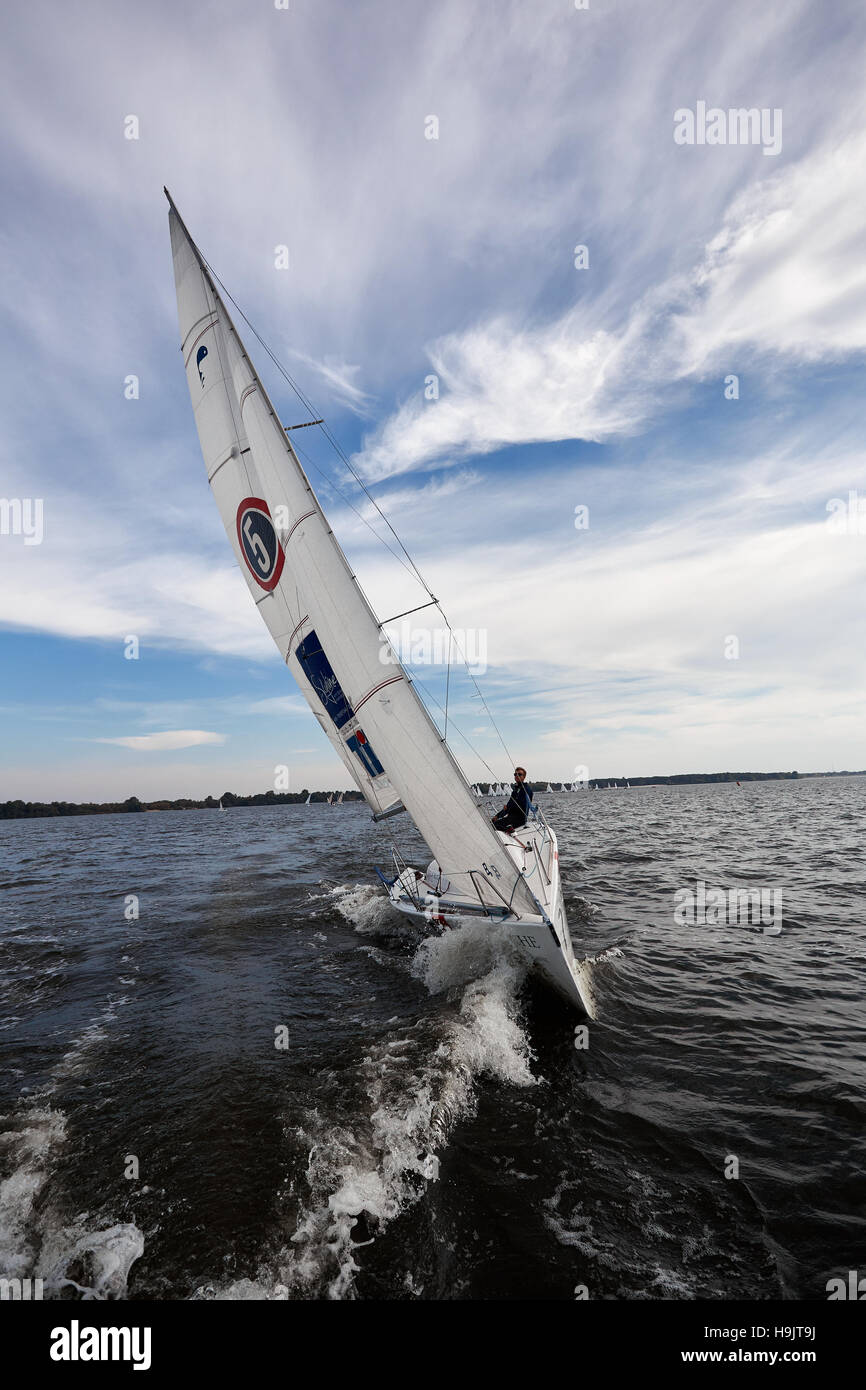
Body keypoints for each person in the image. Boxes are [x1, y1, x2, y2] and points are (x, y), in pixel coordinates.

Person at [492, 768, 534, 832]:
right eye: (515, 774)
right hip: (511, 818)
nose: (517, 776)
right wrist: (497, 816)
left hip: (519, 820)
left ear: (524, 777)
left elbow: (521, 806)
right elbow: (509, 806)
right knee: (492, 823)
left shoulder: (526, 789)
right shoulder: (515, 790)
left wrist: (509, 807)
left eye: (519, 774)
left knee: (494, 826)